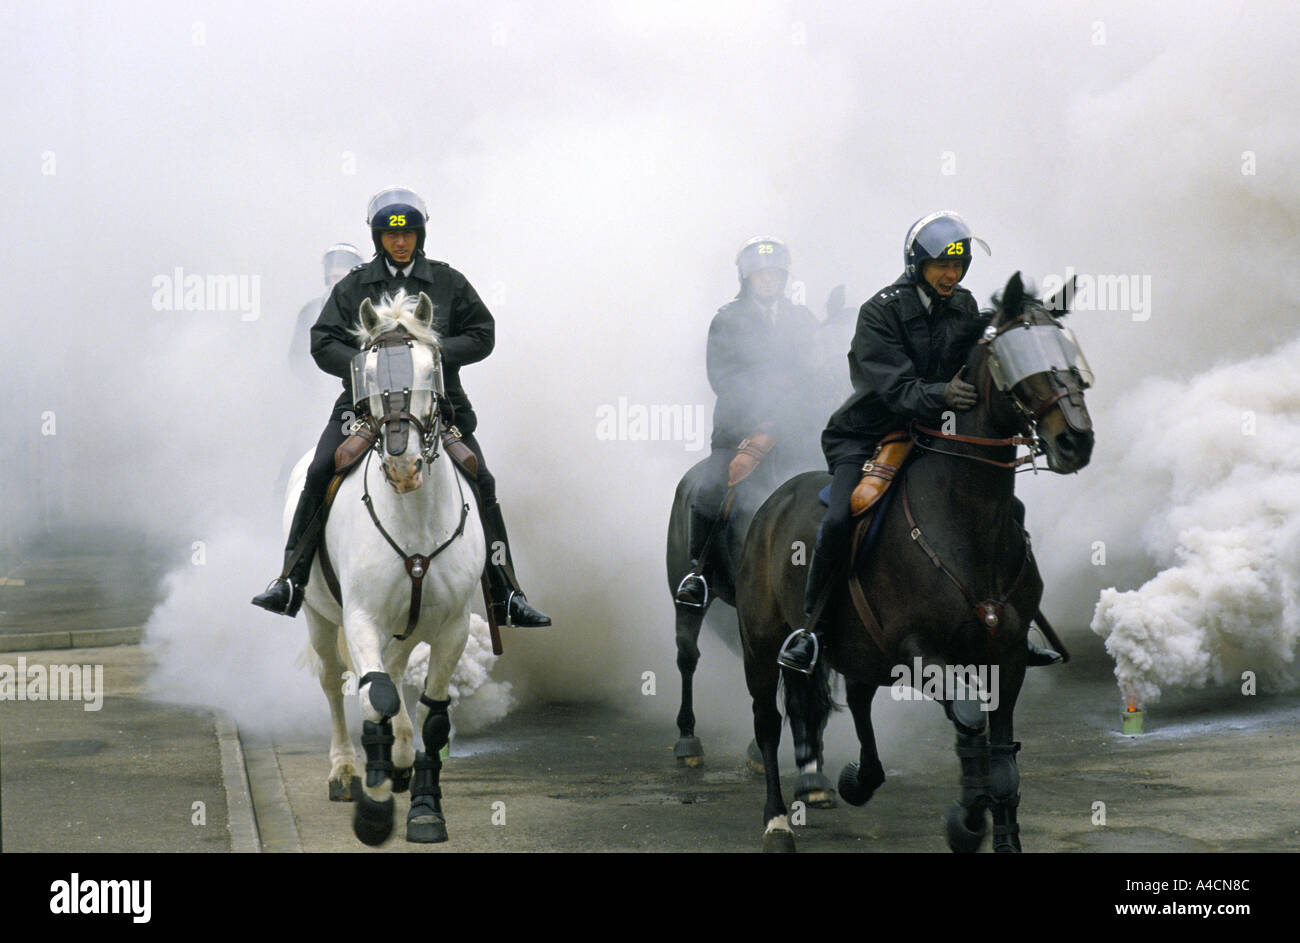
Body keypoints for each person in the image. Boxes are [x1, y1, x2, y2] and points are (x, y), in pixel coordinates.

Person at [252, 186, 551, 628]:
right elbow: (321, 341)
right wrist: (362, 363)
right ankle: (291, 580)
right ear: (377, 238)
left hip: (439, 411)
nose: (400, 242)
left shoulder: (449, 282)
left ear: (419, 236)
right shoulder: (355, 285)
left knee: (481, 479)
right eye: (391, 235)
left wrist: (432, 353)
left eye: (409, 234)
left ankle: (506, 592)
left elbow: (483, 333)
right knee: (317, 472)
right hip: (364, 409)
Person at [777, 211, 1058, 673]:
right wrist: (940, 393)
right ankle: (811, 630)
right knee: (840, 517)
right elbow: (892, 388)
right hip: (870, 435)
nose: (951, 275)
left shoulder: (964, 306)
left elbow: (984, 354)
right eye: (941, 266)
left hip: (937, 434)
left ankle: (1014, 625)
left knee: (1008, 511)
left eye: (959, 265)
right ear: (917, 265)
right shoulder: (880, 311)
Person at [674, 237, 827, 607]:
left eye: (775, 274)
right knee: (711, 488)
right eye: (761, 274)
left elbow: (815, 370)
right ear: (747, 277)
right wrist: (764, 407)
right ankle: (700, 573)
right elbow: (722, 377)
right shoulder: (727, 319)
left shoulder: (802, 319)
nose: (769, 280)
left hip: (795, 429)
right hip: (739, 429)